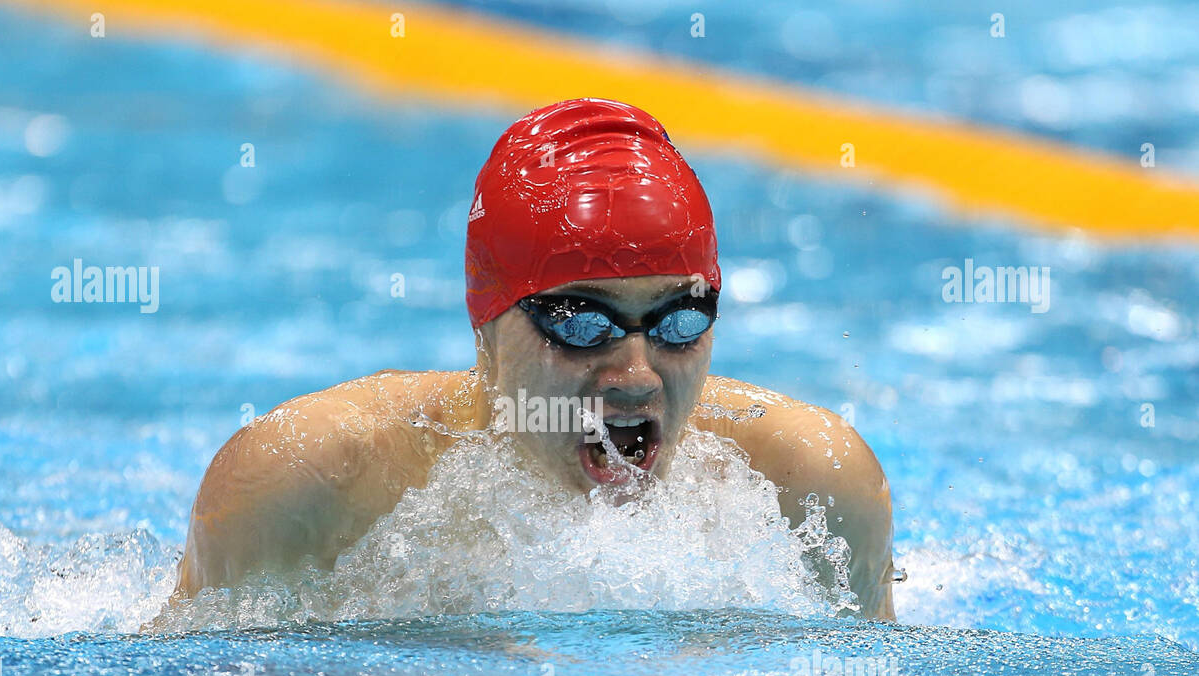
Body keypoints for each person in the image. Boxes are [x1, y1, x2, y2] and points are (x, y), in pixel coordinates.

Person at [173, 98, 896, 619]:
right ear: (486, 325)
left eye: (678, 323)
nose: (639, 375)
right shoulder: (310, 484)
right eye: (583, 323)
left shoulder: (813, 488)